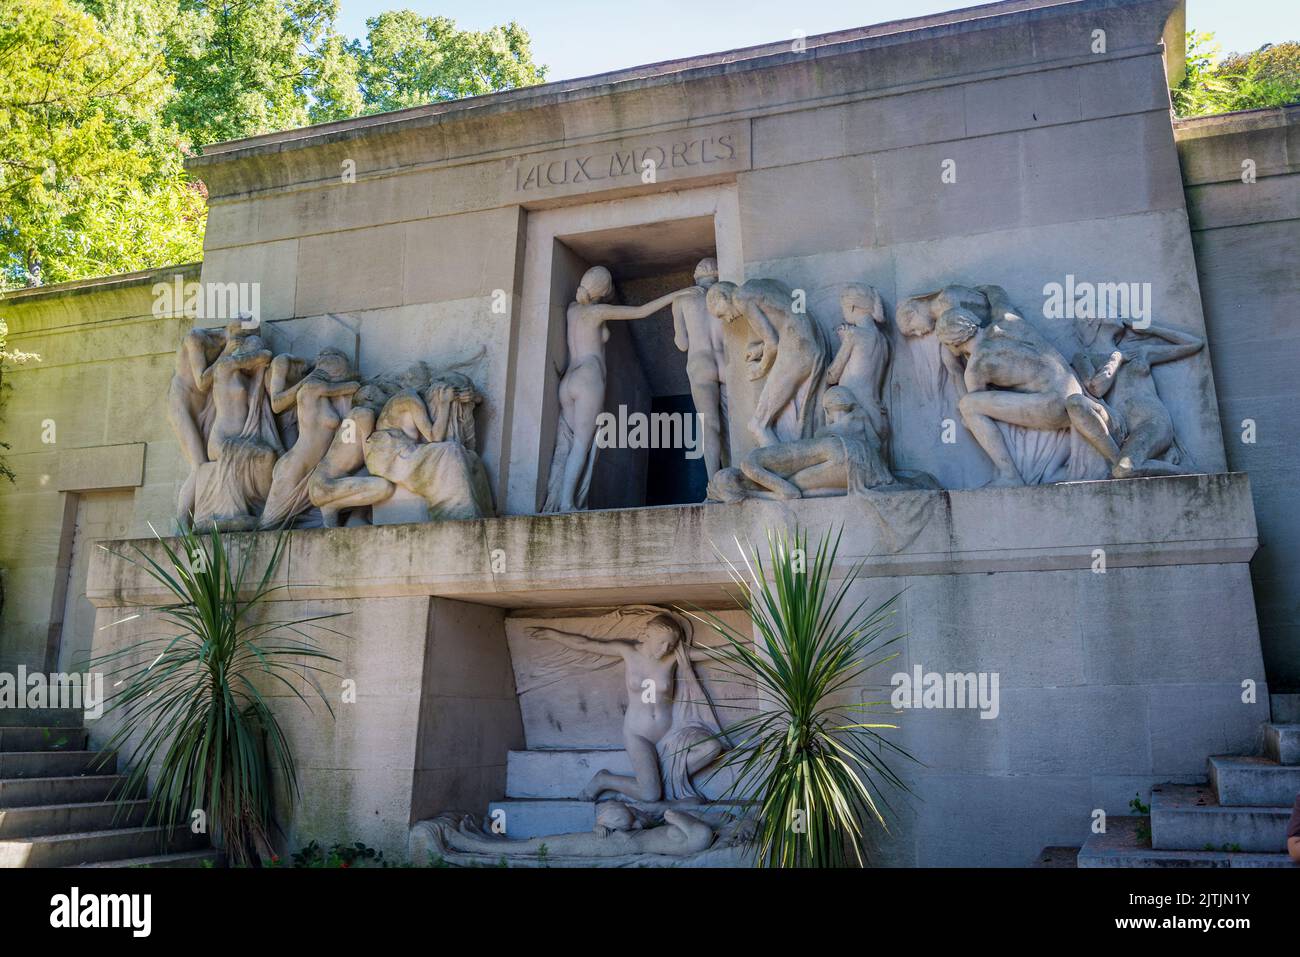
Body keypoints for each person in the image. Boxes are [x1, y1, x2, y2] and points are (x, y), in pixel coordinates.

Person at [525, 612, 724, 802]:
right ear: (647, 635)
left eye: (670, 645)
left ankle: (664, 776)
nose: (665, 649)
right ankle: (605, 780)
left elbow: (716, 653)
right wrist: (552, 634)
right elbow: (586, 644)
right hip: (639, 735)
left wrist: (755, 646)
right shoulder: (627, 651)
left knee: (712, 747)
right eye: (661, 642)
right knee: (650, 795)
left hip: (671, 734)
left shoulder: (674, 657)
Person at [543, 266, 694, 512]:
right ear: (602, 289)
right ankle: (566, 502)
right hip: (589, 379)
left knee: (568, 444)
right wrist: (677, 294)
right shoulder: (598, 312)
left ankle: (561, 499)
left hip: (568, 379)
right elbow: (641, 311)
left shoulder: (572, 309)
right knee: (582, 444)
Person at [936, 307, 1117, 487]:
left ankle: (1009, 475)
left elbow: (971, 412)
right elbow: (996, 293)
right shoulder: (1005, 323)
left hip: (1054, 407)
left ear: (952, 343)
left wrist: (952, 367)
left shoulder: (977, 365)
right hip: (1073, 393)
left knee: (969, 406)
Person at [707, 277, 833, 447]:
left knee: (758, 424)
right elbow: (786, 317)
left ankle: (775, 465)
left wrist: (761, 367)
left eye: (721, 314)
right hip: (812, 342)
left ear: (722, 297)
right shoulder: (758, 285)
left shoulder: (740, 297)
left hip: (796, 348)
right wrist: (760, 349)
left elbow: (773, 342)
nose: (727, 319)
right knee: (797, 422)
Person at [1074, 317, 1204, 478]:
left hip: (1152, 422)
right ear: (1091, 323)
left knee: (1124, 469)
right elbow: (1096, 389)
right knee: (1123, 469)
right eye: (1108, 311)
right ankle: (1175, 468)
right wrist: (1116, 359)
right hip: (1119, 429)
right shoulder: (1084, 358)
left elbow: (1194, 344)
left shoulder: (1141, 352)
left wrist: (1150, 329)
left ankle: (1187, 472)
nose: (1118, 316)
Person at [671, 257, 728, 479]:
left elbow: (682, 344)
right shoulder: (724, 293)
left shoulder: (682, 299)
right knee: (734, 420)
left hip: (700, 363)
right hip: (725, 362)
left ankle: (714, 482)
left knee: (710, 425)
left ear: (696, 276)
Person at [828, 284, 891, 460]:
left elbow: (832, 376)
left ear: (852, 307)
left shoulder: (854, 334)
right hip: (878, 416)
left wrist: (844, 340)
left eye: (843, 309)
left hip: (854, 414)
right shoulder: (883, 340)